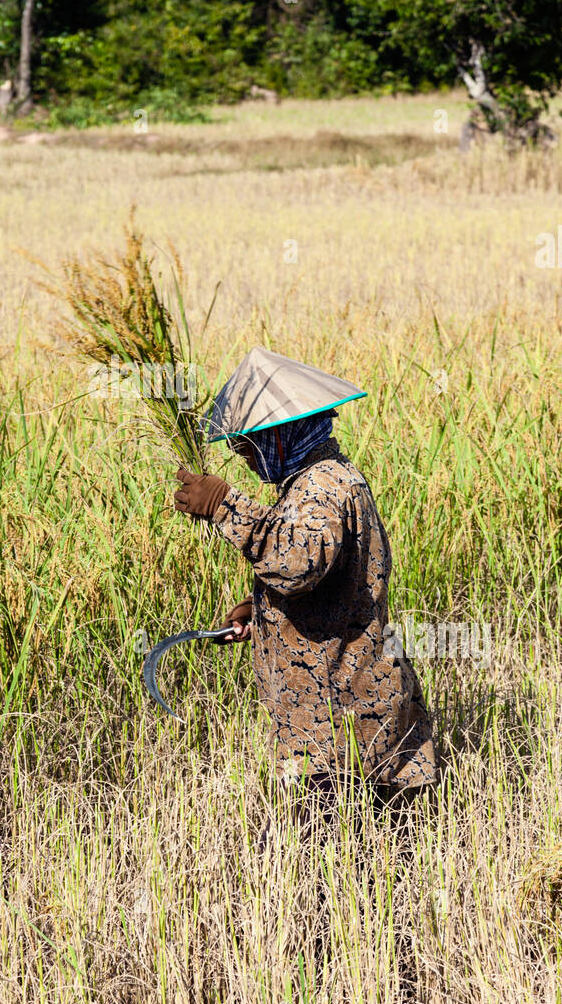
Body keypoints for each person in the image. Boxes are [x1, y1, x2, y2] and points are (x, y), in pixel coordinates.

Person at [172, 347, 437, 829]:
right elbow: (328, 582)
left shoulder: (323, 487)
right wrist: (263, 609)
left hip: (346, 716)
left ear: (282, 434)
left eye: (250, 445)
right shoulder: (310, 483)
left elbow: (296, 563)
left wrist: (223, 504)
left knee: (344, 867)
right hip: (337, 717)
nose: (246, 459)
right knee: (351, 870)